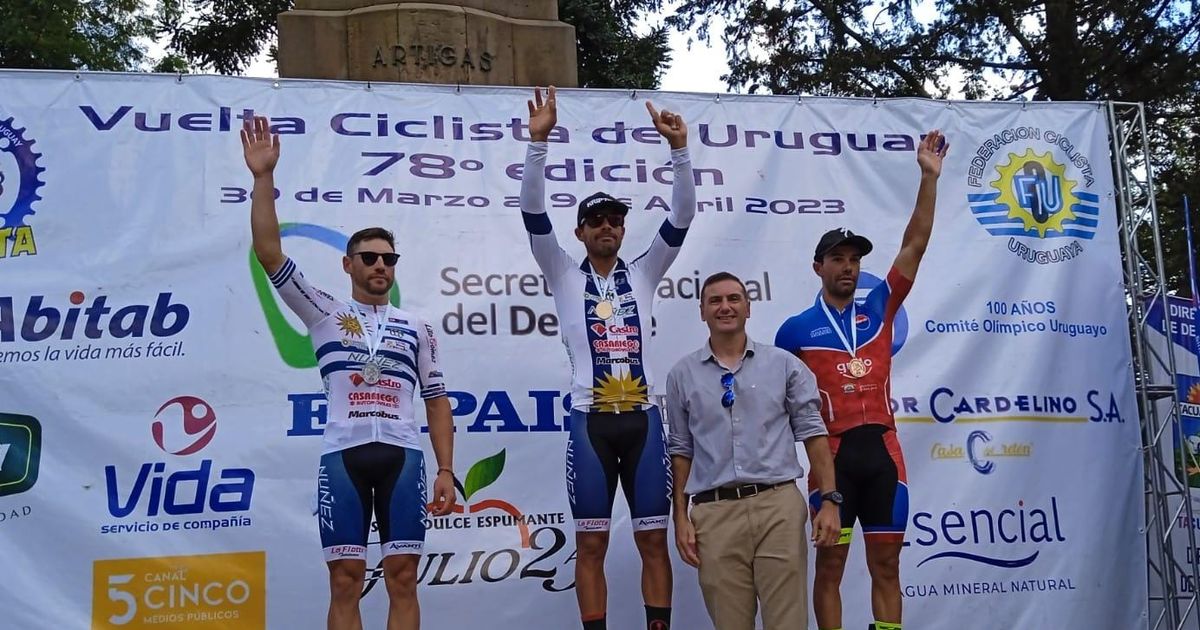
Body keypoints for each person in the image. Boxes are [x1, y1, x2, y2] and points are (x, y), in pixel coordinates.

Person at [241, 115, 457, 630]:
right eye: (370, 257)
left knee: (403, 577)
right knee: (345, 579)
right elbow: (269, 254)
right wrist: (263, 178)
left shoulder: (418, 326)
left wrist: (446, 469)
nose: (381, 265)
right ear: (348, 264)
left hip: (403, 456)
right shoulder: (323, 312)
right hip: (344, 455)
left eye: (389, 259)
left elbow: (436, 400)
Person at [518, 86, 695, 630]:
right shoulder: (561, 270)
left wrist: (680, 151)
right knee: (590, 543)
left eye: (615, 220)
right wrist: (538, 144)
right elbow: (532, 211)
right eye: (596, 220)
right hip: (589, 422)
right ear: (580, 232)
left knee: (653, 542)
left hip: (643, 422)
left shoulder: (644, 271)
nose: (607, 227)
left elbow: (683, 215)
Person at [774, 130, 949, 630]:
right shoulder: (795, 331)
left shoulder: (880, 308)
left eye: (854, 260)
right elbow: (777, 403)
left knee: (887, 566)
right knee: (830, 568)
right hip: (832, 462)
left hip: (884, 457)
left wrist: (929, 178)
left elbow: (915, 244)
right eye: (838, 259)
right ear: (818, 267)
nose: (848, 267)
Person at [666, 272, 841, 630]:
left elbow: (814, 434)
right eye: (715, 300)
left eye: (733, 299)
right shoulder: (682, 375)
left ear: (748, 307)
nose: (725, 307)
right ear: (702, 311)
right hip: (714, 514)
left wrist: (829, 501)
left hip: (777, 507)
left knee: (788, 624)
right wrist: (680, 517)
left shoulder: (785, 364)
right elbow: (681, 450)